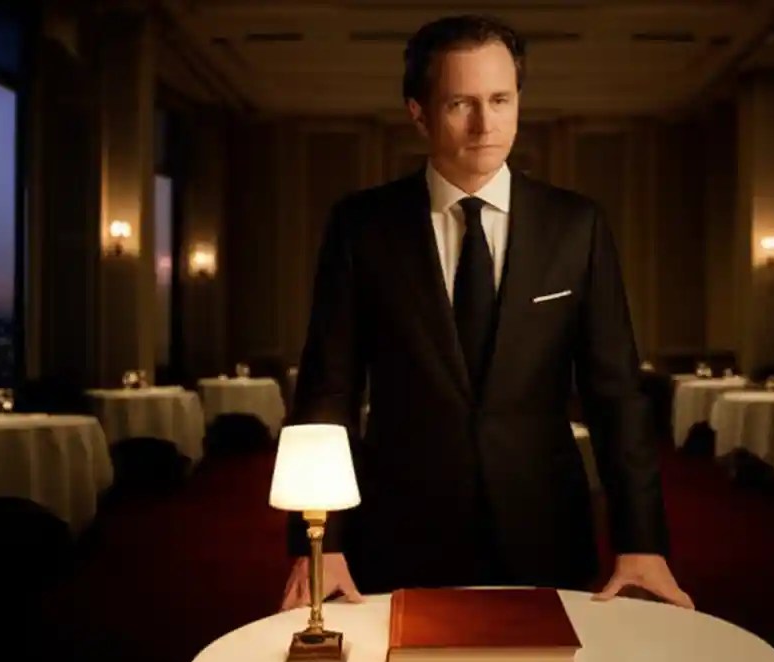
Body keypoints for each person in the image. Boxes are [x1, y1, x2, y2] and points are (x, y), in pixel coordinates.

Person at [280, 14, 693, 610]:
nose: (485, 124)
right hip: (398, 526)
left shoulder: (577, 225)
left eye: (501, 99)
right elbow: (328, 393)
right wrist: (319, 542)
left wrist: (642, 542)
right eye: (459, 104)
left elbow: (617, 396)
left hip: (545, 524)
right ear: (418, 112)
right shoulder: (361, 227)